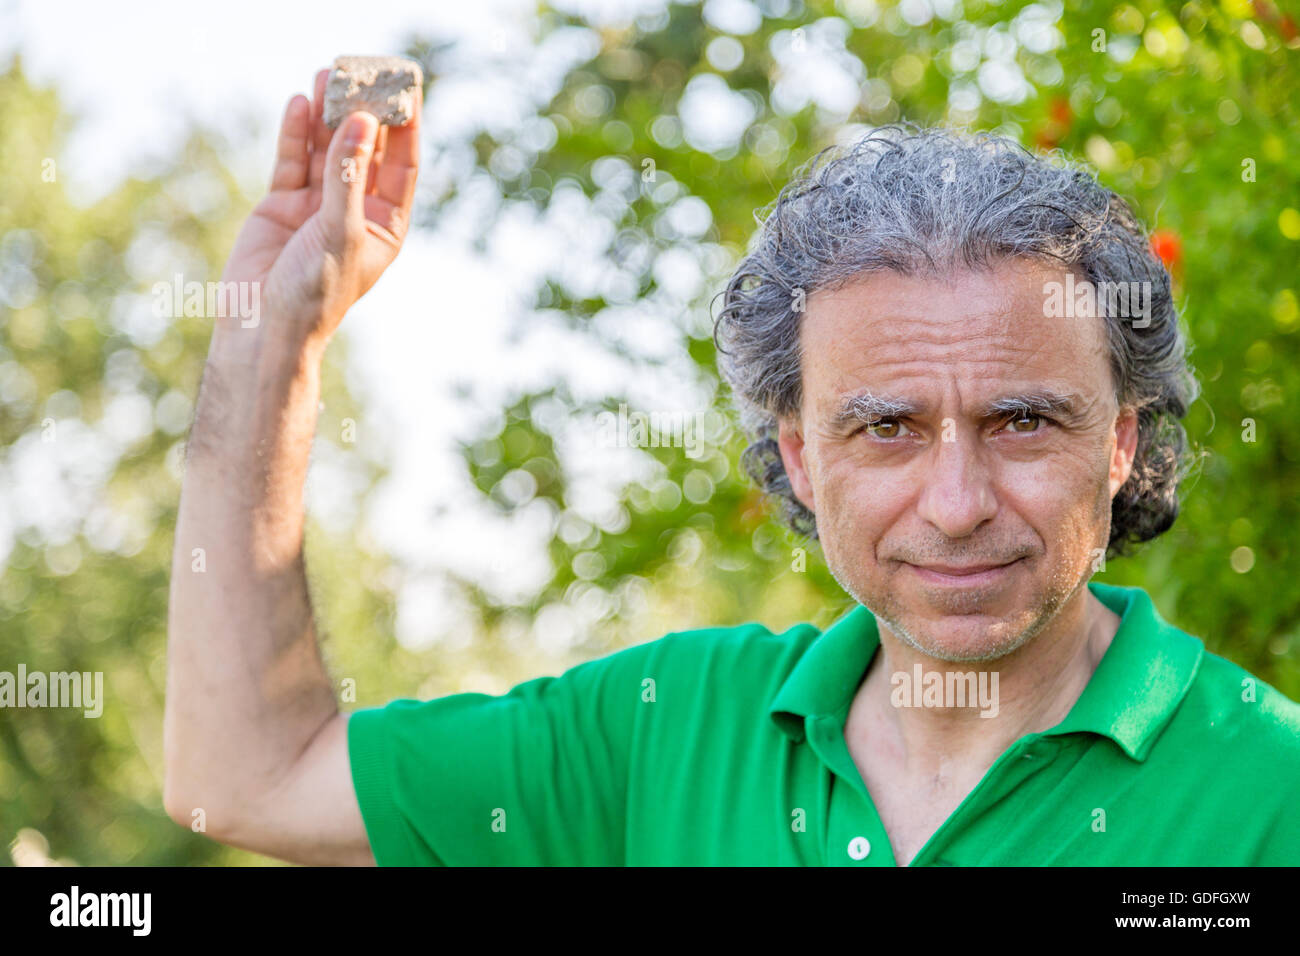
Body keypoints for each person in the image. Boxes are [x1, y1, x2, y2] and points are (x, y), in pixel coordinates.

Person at [163, 70, 1300, 866]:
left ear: (1119, 442)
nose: (955, 505)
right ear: (800, 456)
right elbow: (245, 773)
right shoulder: (662, 729)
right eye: (886, 428)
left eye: (1021, 421)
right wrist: (269, 348)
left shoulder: (1273, 794)